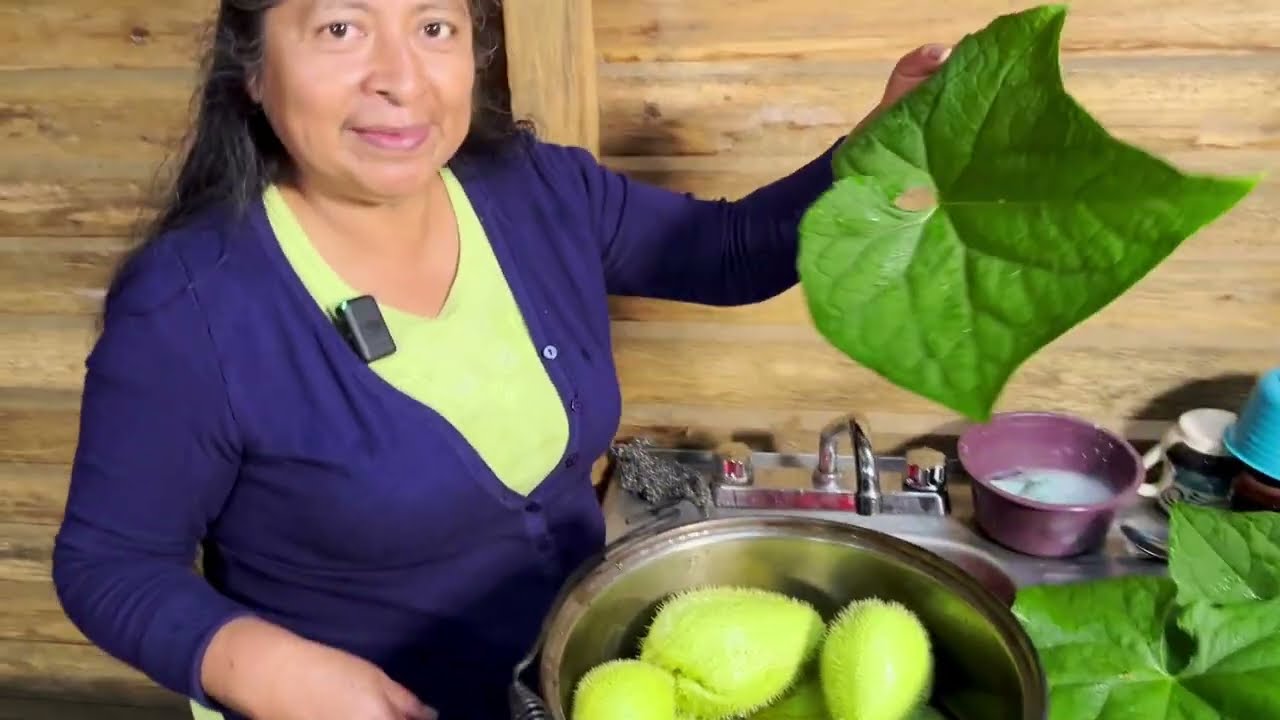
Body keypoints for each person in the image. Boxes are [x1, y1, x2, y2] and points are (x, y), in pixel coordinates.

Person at [50, 0, 950, 718]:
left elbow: (730, 252)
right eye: (340, 28)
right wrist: (267, 671)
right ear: (251, 68)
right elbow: (109, 564)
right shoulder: (190, 306)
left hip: (560, 683)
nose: (401, 79)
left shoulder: (533, 189)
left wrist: (883, 147)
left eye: (433, 26)